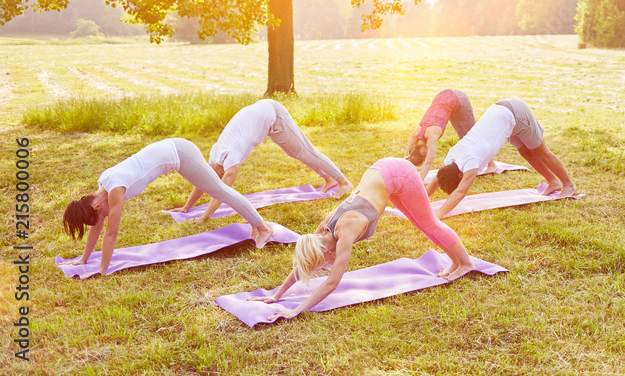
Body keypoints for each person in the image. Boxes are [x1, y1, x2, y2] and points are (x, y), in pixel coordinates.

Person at [248, 157, 475, 321]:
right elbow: (305, 264)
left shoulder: (345, 233)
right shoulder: (321, 233)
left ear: (327, 253)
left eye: (326, 262)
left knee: (428, 223)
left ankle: (464, 262)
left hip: (398, 173)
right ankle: (455, 261)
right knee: (421, 224)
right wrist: (277, 295)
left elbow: (332, 283)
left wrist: (296, 309)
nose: (328, 265)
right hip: (380, 174)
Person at [61, 138, 275, 278]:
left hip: (180, 153)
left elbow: (111, 232)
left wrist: (103, 270)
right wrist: (84, 259)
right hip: (175, 150)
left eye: (100, 216)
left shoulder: (115, 188)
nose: (103, 219)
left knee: (221, 191)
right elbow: (97, 226)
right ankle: (258, 225)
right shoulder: (102, 189)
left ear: (97, 206)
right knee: (216, 186)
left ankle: (262, 227)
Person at [170, 99, 352, 221]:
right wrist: (186, 207)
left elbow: (223, 192)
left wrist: (204, 217)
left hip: (274, 115)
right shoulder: (215, 154)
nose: (218, 178)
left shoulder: (230, 158)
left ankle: (342, 182)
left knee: (305, 151)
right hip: (264, 117)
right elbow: (204, 181)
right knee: (296, 153)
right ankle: (328, 179)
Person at [427, 98, 575, 218]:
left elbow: (460, 192)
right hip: (503, 116)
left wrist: (437, 215)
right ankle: (553, 183)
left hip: (516, 112)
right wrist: (422, 199)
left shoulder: (471, 162)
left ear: (461, 175)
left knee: (541, 152)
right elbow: (438, 178)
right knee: (526, 153)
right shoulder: (452, 155)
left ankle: (568, 185)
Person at [405, 88, 497, 181]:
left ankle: (492, 165)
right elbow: (406, 157)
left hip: (459, 98)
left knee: (472, 135)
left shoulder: (431, 135)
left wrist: (418, 182)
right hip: (444, 95)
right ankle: (483, 163)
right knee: (464, 136)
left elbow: (428, 163)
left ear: (423, 152)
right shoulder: (416, 133)